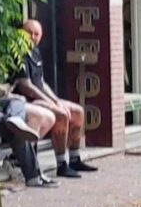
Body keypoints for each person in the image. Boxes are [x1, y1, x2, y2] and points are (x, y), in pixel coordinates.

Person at [11, 19, 95, 177]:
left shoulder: (35, 52)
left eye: (37, 34)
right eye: (29, 33)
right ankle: (62, 164)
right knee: (61, 114)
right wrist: (53, 104)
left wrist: (56, 100)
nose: (33, 37)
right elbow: (26, 87)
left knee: (78, 112)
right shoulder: (18, 53)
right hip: (25, 100)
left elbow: (41, 83)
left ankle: (75, 158)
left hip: (40, 97)